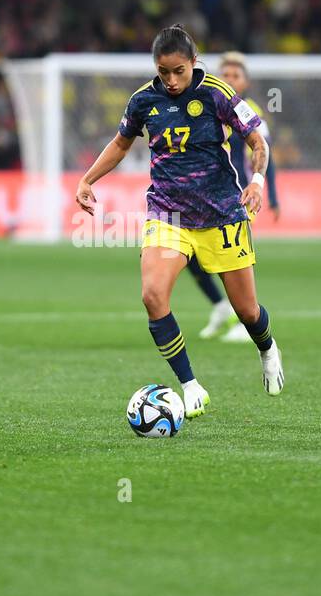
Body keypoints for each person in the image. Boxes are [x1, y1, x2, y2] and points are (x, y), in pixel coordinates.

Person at [75, 24, 284, 415]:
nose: (171, 80)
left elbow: (258, 141)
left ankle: (268, 347)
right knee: (153, 296)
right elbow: (121, 144)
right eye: (163, 71)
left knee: (248, 312)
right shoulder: (143, 101)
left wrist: (257, 182)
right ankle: (189, 386)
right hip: (167, 212)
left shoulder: (217, 94)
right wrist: (88, 178)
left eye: (179, 71)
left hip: (222, 213)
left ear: (194, 62)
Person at [195, 51, 282, 342]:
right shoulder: (207, 105)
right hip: (205, 196)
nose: (229, 79)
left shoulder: (249, 111)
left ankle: (244, 322)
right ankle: (221, 307)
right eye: (226, 74)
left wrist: (272, 196)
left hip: (239, 196)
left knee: (233, 261)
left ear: (245, 82)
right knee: (192, 256)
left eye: (236, 76)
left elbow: (264, 153)